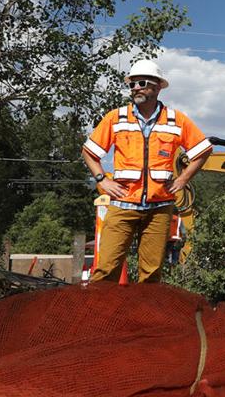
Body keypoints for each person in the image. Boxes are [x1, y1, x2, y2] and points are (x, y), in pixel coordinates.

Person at [81, 58, 212, 284]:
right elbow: (89, 152)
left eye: (141, 83)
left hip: (160, 208)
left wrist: (183, 179)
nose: (135, 88)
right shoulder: (116, 117)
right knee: (106, 269)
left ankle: (143, 317)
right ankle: (97, 316)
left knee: (151, 274)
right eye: (131, 84)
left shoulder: (176, 120)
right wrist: (102, 179)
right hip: (122, 205)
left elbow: (203, 150)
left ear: (158, 86)